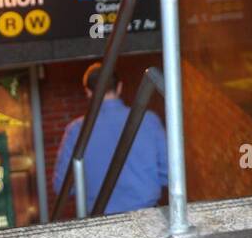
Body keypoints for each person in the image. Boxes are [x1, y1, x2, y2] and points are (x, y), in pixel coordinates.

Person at [53, 63, 169, 215]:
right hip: (147, 216)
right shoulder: (149, 120)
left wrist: (88, 186)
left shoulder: (75, 131)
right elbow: (169, 172)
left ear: (88, 92)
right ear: (120, 87)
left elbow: (61, 186)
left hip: (100, 221)